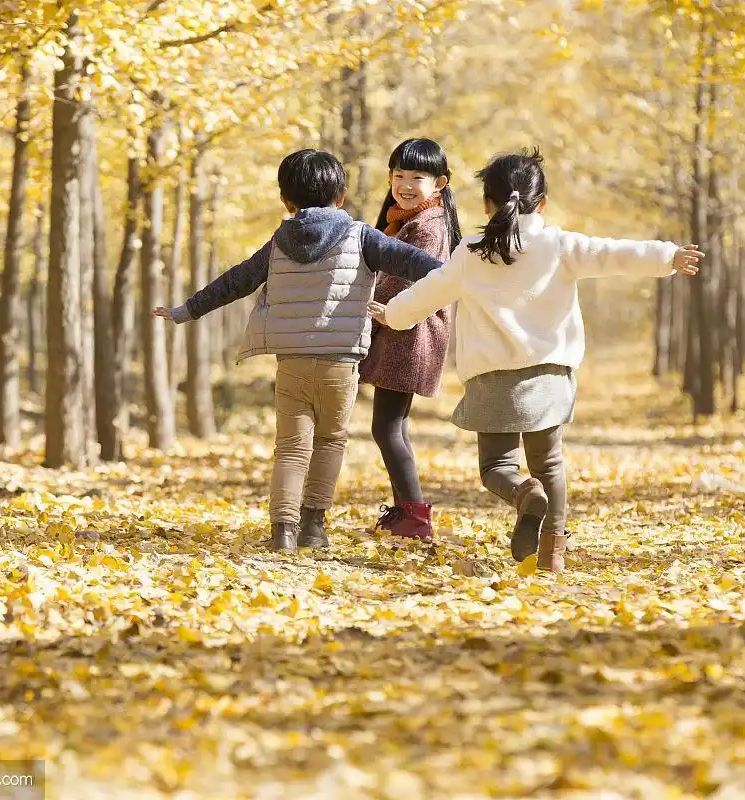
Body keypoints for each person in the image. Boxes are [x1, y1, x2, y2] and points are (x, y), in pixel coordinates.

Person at [370, 149, 702, 572]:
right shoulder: (559, 245)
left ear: (486, 204)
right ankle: (552, 554)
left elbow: (429, 291)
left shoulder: (471, 252)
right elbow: (612, 253)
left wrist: (393, 314)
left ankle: (523, 493)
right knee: (550, 464)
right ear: (541, 203)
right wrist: (667, 256)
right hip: (550, 377)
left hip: (492, 380)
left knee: (497, 466)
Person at [155, 149, 444, 553]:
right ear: (341, 196)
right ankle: (312, 526)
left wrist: (186, 310)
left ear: (285, 200)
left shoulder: (279, 242)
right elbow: (420, 265)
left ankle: (283, 532)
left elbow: (236, 281)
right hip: (340, 361)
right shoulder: (362, 236)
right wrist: (462, 278)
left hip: (291, 360)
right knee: (330, 441)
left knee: (291, 447)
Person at [360, 138, 463, 541]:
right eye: (398, 175)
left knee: (386, 427)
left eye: (417, 177)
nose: (404, 185)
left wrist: (361, 301)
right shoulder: (406, 219)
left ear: (439, 183)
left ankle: (414, 515)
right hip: (403, 331)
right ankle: (406, 511)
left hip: (408, 334)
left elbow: (401, 282)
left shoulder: (428, 225)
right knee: (395, 426)